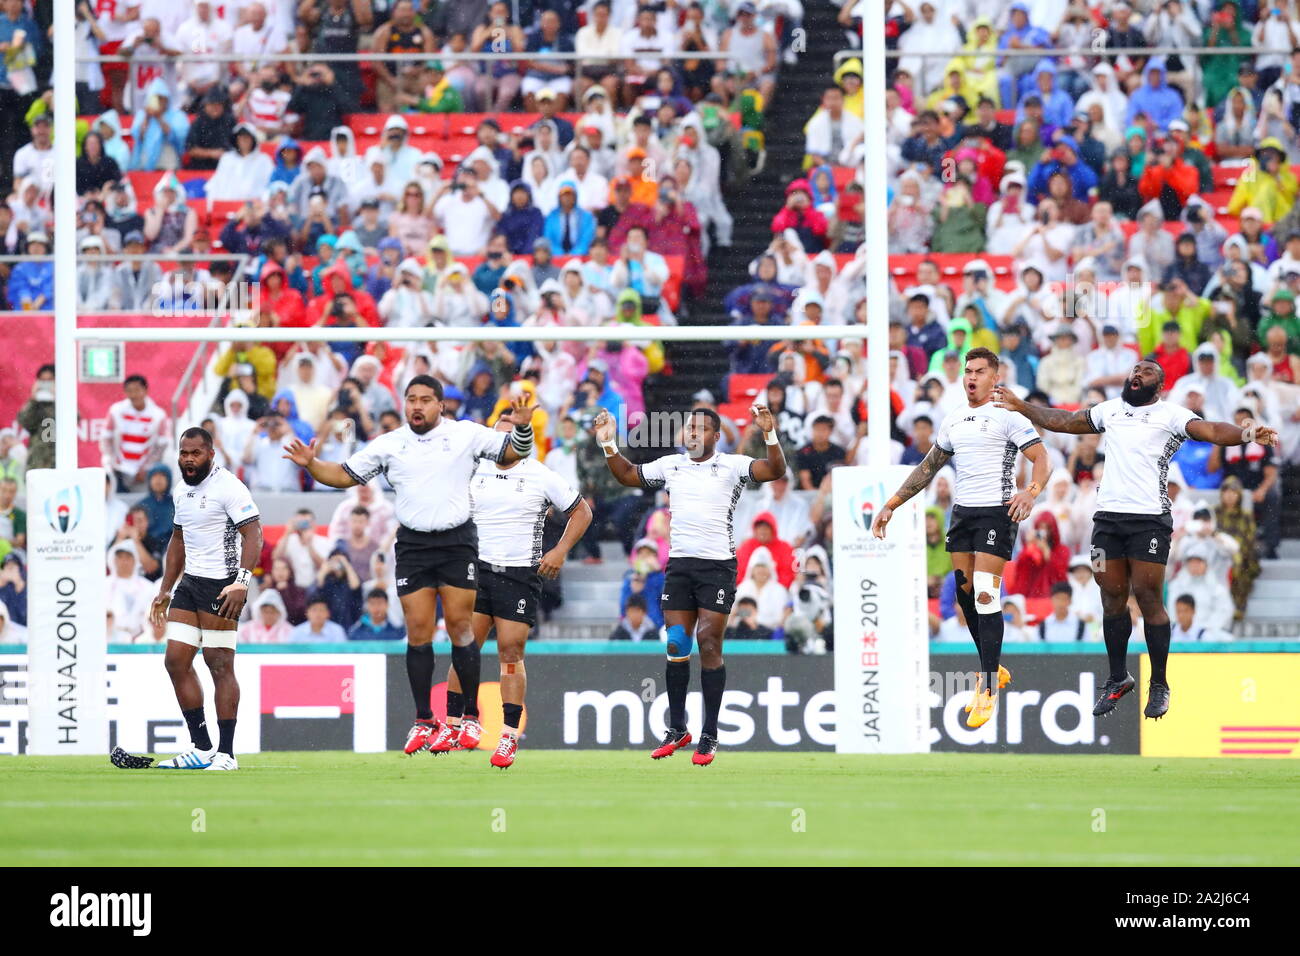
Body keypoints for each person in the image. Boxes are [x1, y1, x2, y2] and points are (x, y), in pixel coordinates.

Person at [994, 361, 1281, 721]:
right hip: (1106, 521)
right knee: (1111, 597)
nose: (1136, 374)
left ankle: (1159, 683)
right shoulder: (1110, 410)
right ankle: (1117, 678)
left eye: (1146, 372)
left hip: (1149, 520)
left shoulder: (1170, 415)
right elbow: (1065, 422)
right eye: (1135, 370)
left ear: (1158, 386)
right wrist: (1023, 406)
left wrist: (1247, 434)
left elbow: (1209, 430)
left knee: (1147, 597)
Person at [282, 377, 539, 756]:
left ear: (440, 405)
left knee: (460, 628)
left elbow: (513, 453)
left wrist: (522, 427)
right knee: (418, 631)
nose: (416, 406)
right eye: (411, 400)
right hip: (414, 546)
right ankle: (423, 719)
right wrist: (312, 465)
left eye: (425, 400)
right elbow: (343, 475)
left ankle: (469, 717)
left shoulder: (465, 434)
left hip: (456, 543)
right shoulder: (390, 444)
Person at [594, 404, 787, 766]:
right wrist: (608, 444)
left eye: (701, 427)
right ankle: (678, 727)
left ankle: (710, 733)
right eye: (690, 427)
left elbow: (775, 469)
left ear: (717, 436)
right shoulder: (672, 465)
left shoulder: (732, 465)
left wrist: (769, 435)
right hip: (680, 566)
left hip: (717, 567)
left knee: (709, 641)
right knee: (677, 642)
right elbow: (627, 475)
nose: (694, 432)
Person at [875, 348, 1049, 729]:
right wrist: (892, 503)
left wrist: (1030, 492)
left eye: (979, 371)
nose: (971, 377)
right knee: (967, 595)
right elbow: (929, 467)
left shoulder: (1008, 415)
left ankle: (987, 687)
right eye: (967, 371)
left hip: (996, 512)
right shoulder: (954, 419)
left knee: (987, 594)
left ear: (994, 376)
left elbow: (1041, 458)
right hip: (963, 513)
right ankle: (994, 668)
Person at [434, 419, 591, 767]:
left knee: (510, 652)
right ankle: (456, 723)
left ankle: (507, 736)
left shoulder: (540, 474)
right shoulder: (473, 470)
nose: (503, 440)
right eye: (498, 433)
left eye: (510, 433)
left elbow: (582, 511)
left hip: (519, 574)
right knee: (464, 646)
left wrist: (560, 550)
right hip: (476, 570)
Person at [147, 428, 262, 771]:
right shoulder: (181, 491)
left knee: (219, 664)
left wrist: (242, 581)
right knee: (176, 661)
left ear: (211, 454)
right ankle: (201, 748)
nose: (188, 460)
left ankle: (226, 754)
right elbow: (178, 542)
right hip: (190, 584)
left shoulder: (229, 487)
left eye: (195, 453)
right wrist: (165, 589)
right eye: (184, 453)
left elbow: (253, 533)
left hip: (221, 585)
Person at [100, 374, 171, 493]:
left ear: (146, 390)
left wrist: (145, 469)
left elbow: (161, 447)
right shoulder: (116, 410)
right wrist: (113, 463)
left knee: (141, 507)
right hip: (119, 471)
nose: (133, 395)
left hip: (143, 475)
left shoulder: (158, 415)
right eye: (129, 391)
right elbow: (106, 438)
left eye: (137, 390)